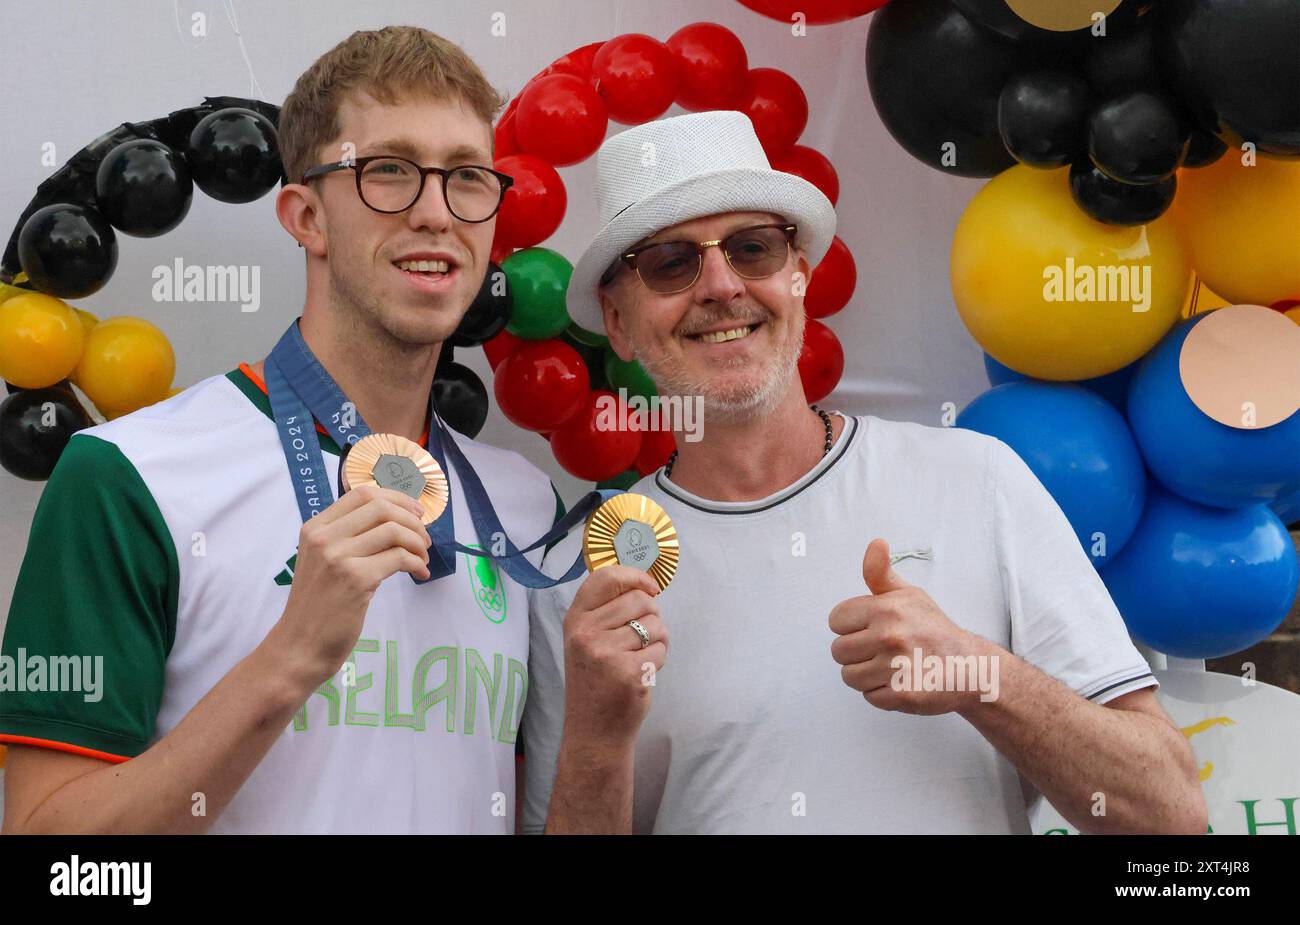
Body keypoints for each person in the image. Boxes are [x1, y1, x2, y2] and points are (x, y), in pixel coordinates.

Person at [522, 110, 1208, 835]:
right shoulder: (580, 583)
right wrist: (598, 739)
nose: (721, 285)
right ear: (619, 320)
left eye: (753, 248)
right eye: (669, 262)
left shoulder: (977, 479)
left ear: (799, 278)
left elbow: (1169, 816)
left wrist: (980, 674)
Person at [0, 26, 564, 834]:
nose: (437, 213)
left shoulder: (527, 505)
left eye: (467, 178)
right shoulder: (125, 475)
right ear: (306, 217)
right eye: (389, 172)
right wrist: (288, 659)